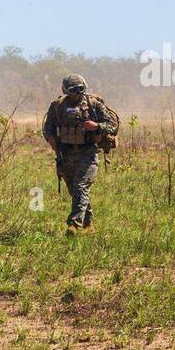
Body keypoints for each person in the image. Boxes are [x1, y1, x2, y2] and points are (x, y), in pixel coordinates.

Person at [42, 74, 118, 235]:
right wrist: (51, 140)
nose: (77, 93)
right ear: (65, 91)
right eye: (73, 90)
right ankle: (88, 223)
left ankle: (73, 225)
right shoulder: (58, 105)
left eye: (80, 89)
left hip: (88, 153)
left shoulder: (93, 104)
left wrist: (96, 126)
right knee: (75, 191)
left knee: (81, 186)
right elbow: (48, 127)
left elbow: (111, 125)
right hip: (66, 153)